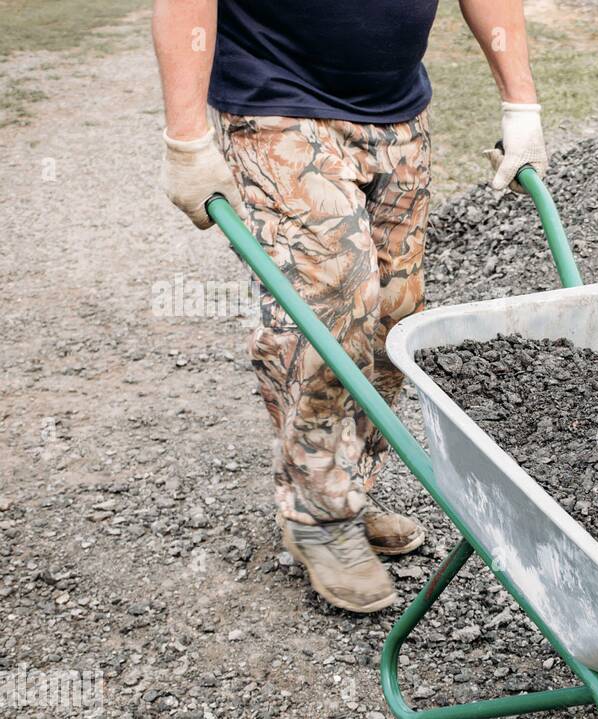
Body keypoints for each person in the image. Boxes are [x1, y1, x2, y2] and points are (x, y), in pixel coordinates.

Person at [152, 0, 547, 612]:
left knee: (396, 313)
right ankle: (318, 515)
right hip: (275, 103)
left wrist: (522, 106)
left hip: (397, 111)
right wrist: (186, 140)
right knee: (333, 305)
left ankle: (349, 488)